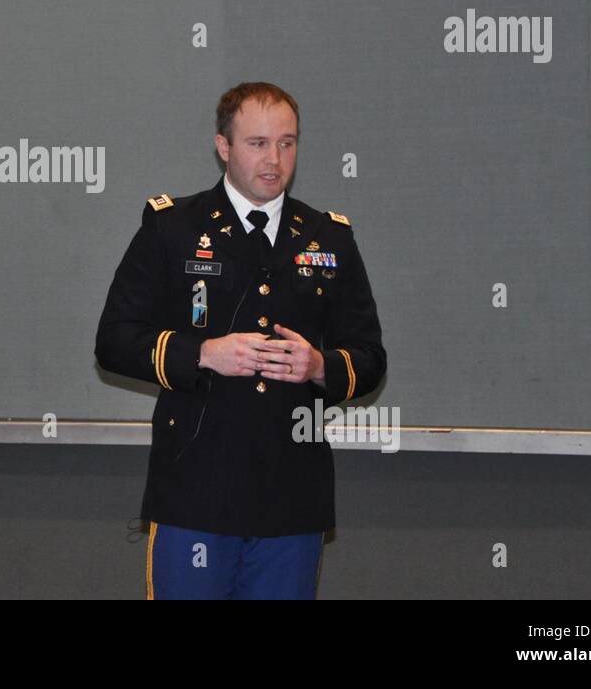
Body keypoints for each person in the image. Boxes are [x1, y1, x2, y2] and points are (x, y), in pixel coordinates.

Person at [94, 82, 386, 599]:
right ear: (223, 147)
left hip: (292, 494)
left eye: (287, 143)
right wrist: (204, 353)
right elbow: (115, 340)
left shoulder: (329, 237)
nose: (274, 159)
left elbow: (369, 356)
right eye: (257, 143)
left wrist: (320, 366)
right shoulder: (172, 228)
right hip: (195, 491)